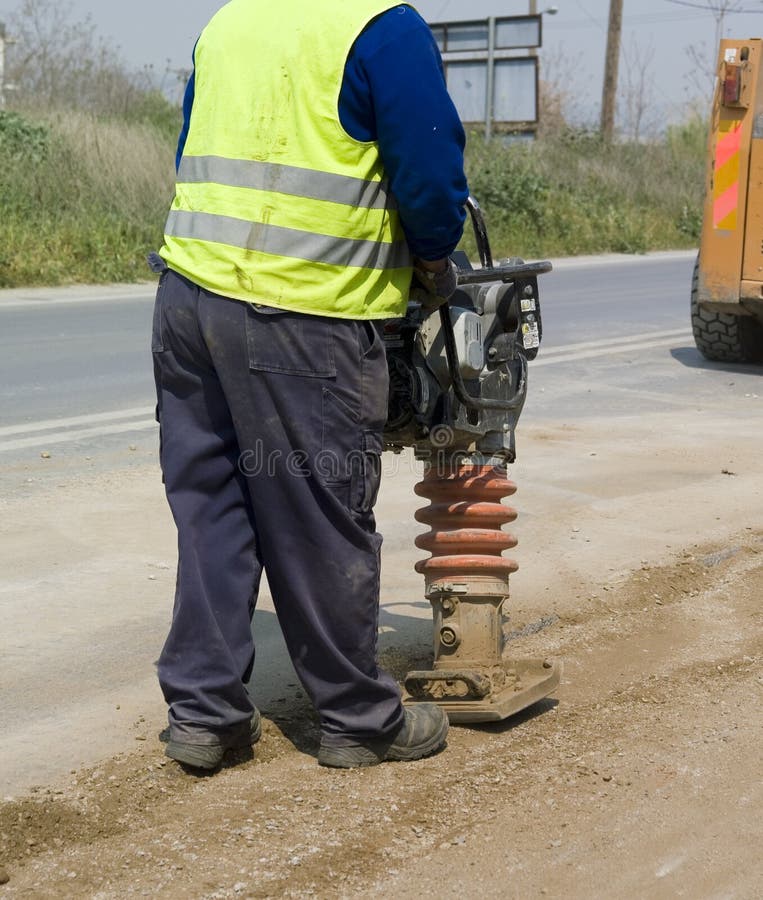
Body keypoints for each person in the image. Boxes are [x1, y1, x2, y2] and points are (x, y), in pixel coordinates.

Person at [151, 0, 469, 771]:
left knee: (213, 508)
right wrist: (432, 262)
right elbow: (427, 178)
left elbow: (196, 147)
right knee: (318, 512)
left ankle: (204, 715)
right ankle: (358, 719)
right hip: (301, 311)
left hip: (189, 300)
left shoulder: (232, 20)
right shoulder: (381, 27)